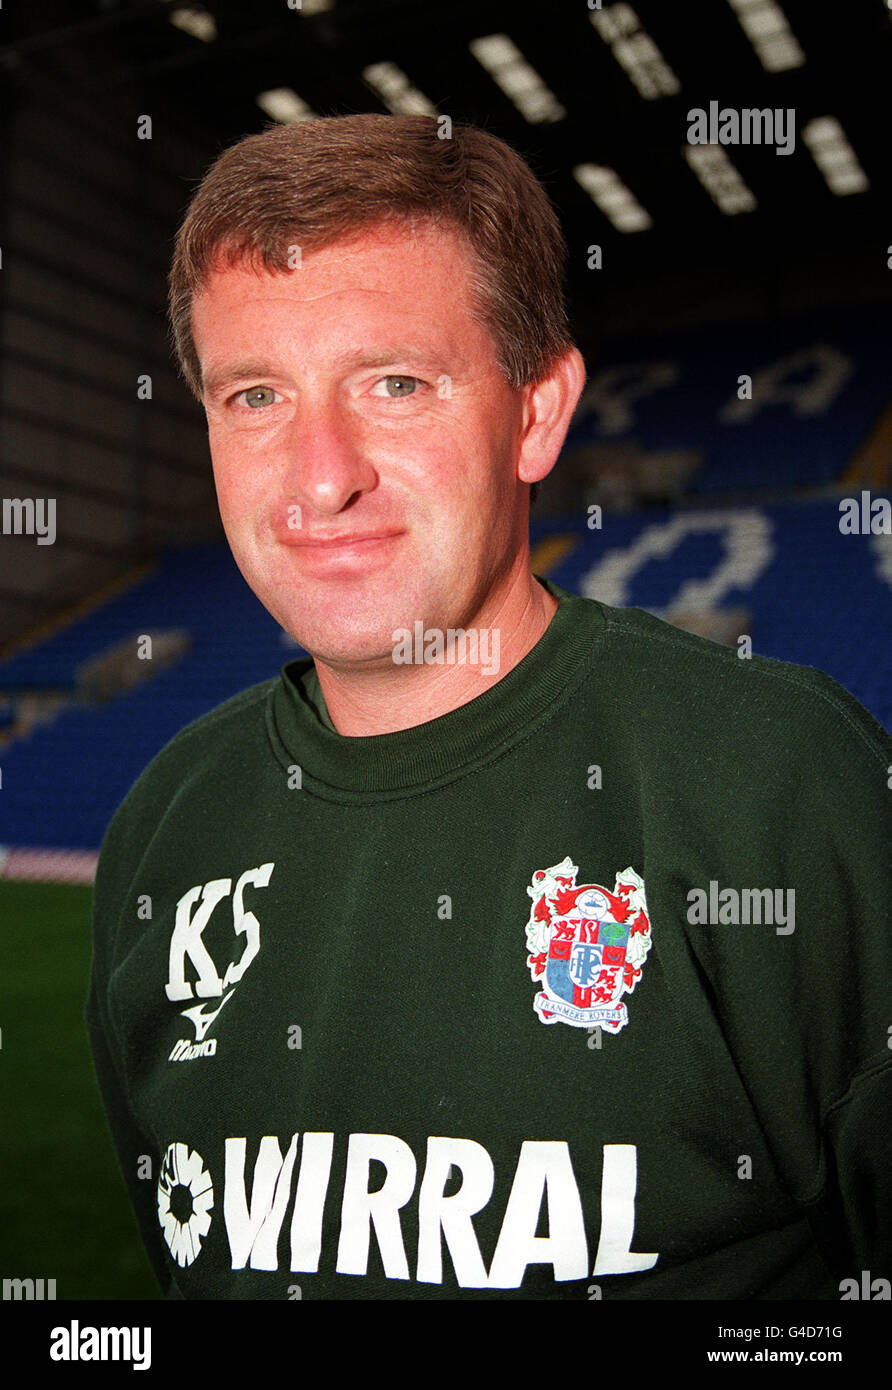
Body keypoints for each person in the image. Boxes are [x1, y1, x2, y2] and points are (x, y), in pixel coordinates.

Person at [86, 113, 890, 1301]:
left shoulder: (784, 784)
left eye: (396, 382)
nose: (321, 474)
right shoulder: (164, 827)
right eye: (255, 396)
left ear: (534, 413)